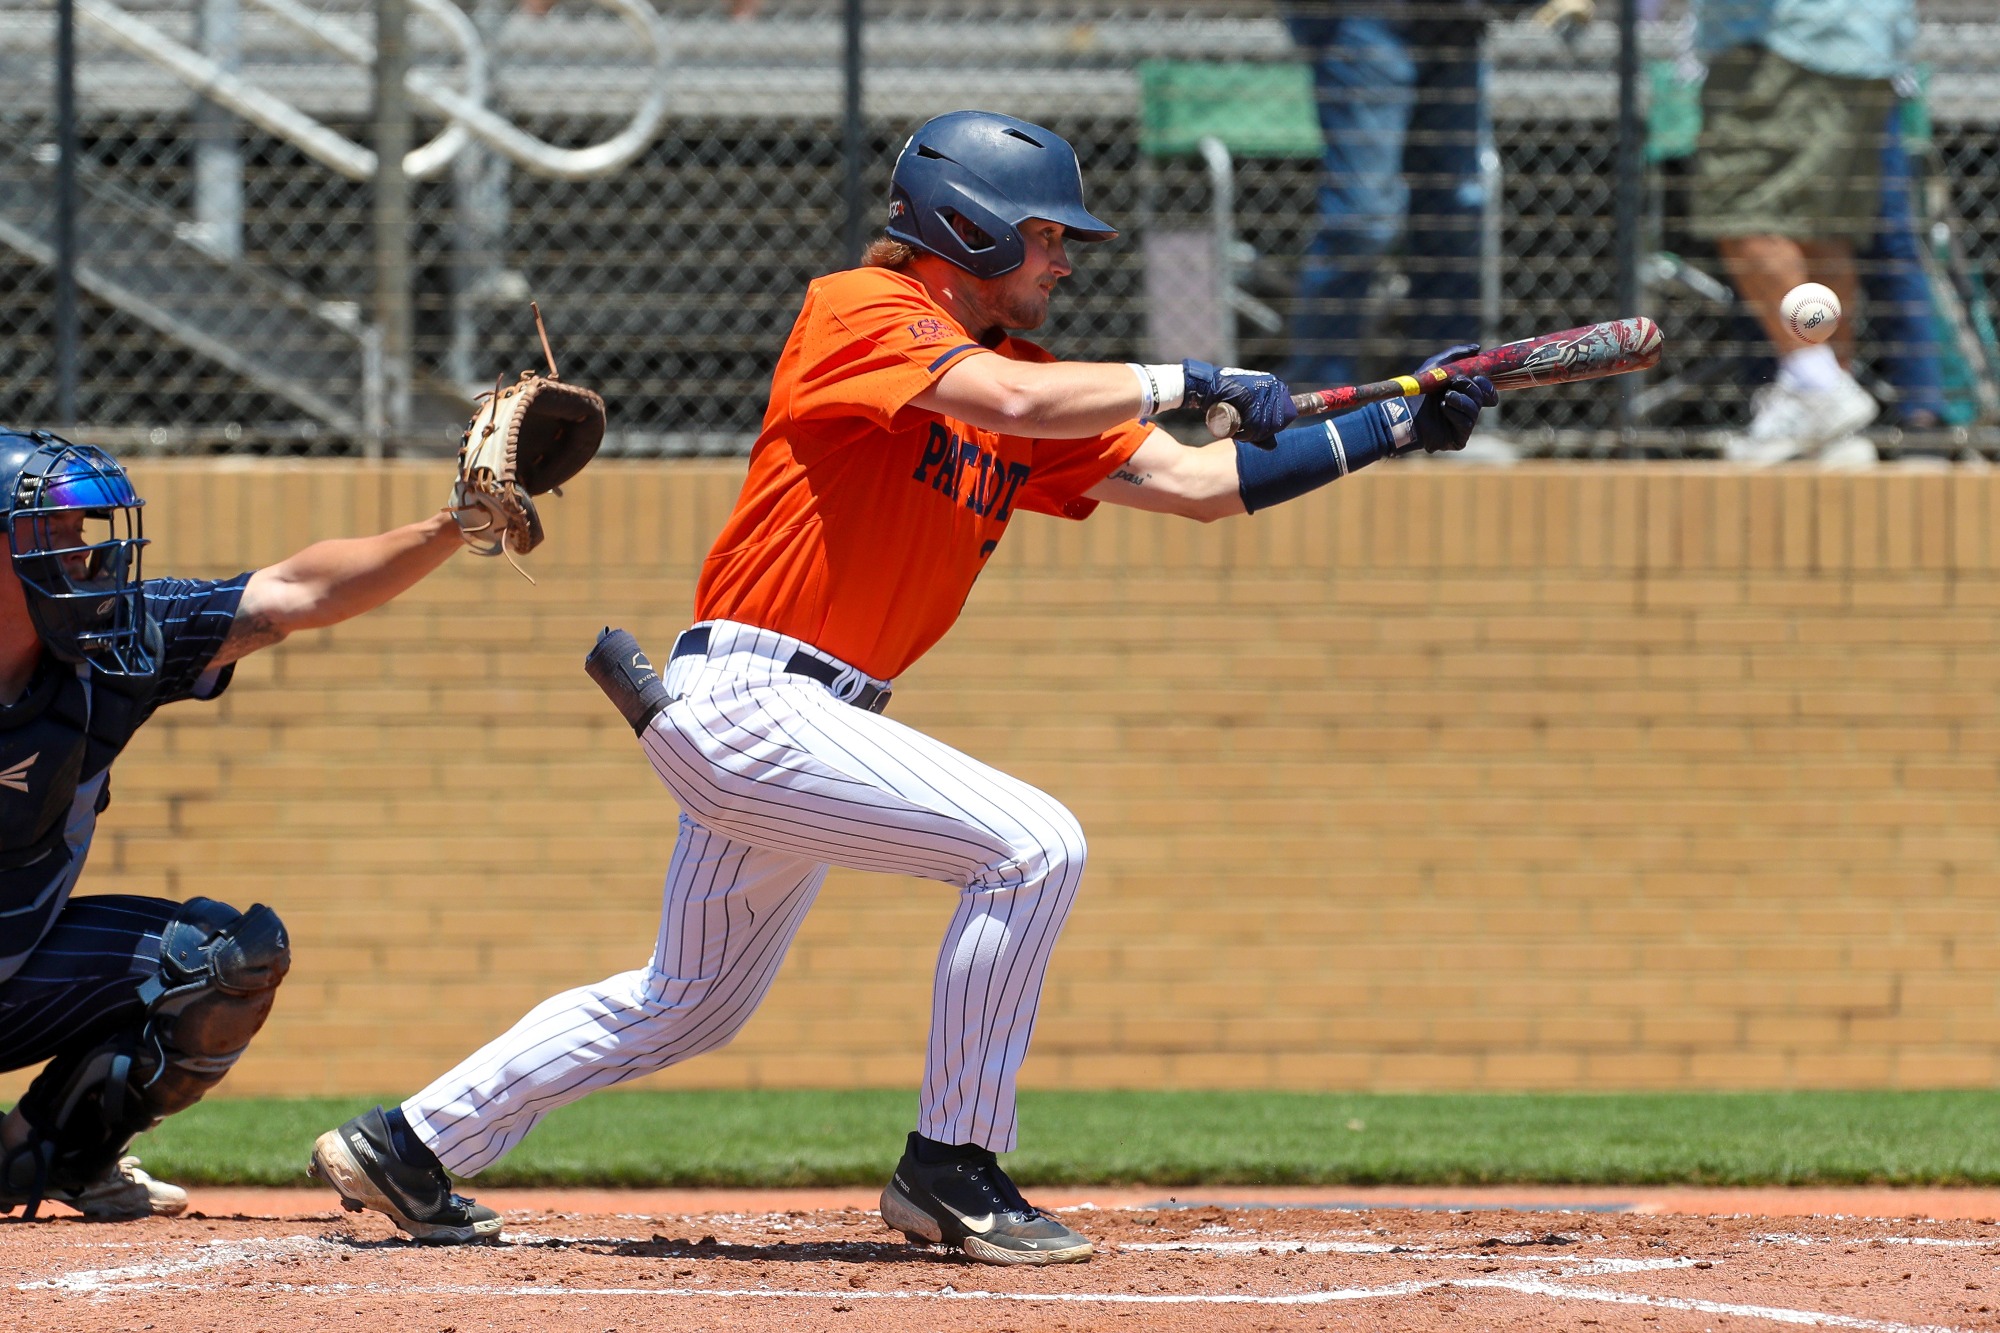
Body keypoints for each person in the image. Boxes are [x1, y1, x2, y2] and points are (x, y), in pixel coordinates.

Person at [308, 110, 1497, 1263]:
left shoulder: (1022, 374)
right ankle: (952, 1165)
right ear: (968, 227)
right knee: (1032, 846)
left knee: (689, 1000)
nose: (1061, 263)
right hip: (754, 700)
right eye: (1044, 238)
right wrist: (1186, 370)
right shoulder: (861, 308)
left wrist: (1396, 420)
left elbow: (1193, 485)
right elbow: (1021, 401)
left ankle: (408, 1142)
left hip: (806, 717)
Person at [0, 428, 476, 1220]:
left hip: (17, 975)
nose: (85, 557)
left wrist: (457, 523)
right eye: (54, 535)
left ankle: (47, 1154)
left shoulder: (114, 647)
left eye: (85, 533)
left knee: (221, 960)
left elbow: (295, 591)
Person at [1691, 0, 1917, 464]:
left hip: (1783, 45)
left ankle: (1819, 384)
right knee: (1820, 232)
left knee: (1744, 214)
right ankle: (1827, 422)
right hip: (1865, 45)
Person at [1278, 0, 1512, 391]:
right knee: (1365, 222)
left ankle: (1443, 403)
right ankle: (1316, 405)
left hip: (1457, 25)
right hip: (1365, 20)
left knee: (1456, 215)